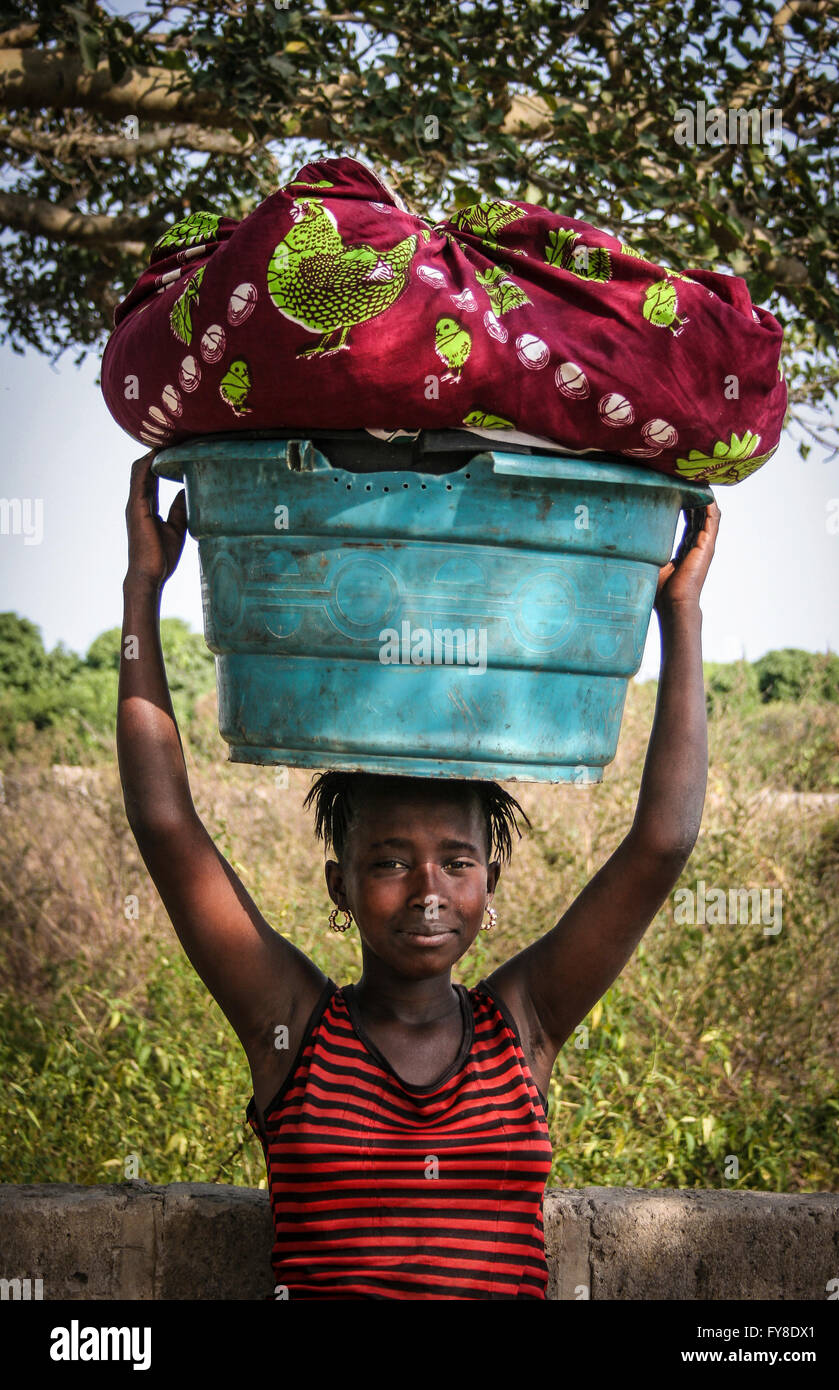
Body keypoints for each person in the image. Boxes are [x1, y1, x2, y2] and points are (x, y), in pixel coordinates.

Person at [117, 451, 720, 1300]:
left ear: (491, 880)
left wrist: (679, 612)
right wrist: (142, 586)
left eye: (457, 862)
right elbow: (165, 825)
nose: (429, 890)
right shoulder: (290, 1029)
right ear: (341, 886)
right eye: (390, 862)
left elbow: (663, 841)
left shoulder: (525, 1027)